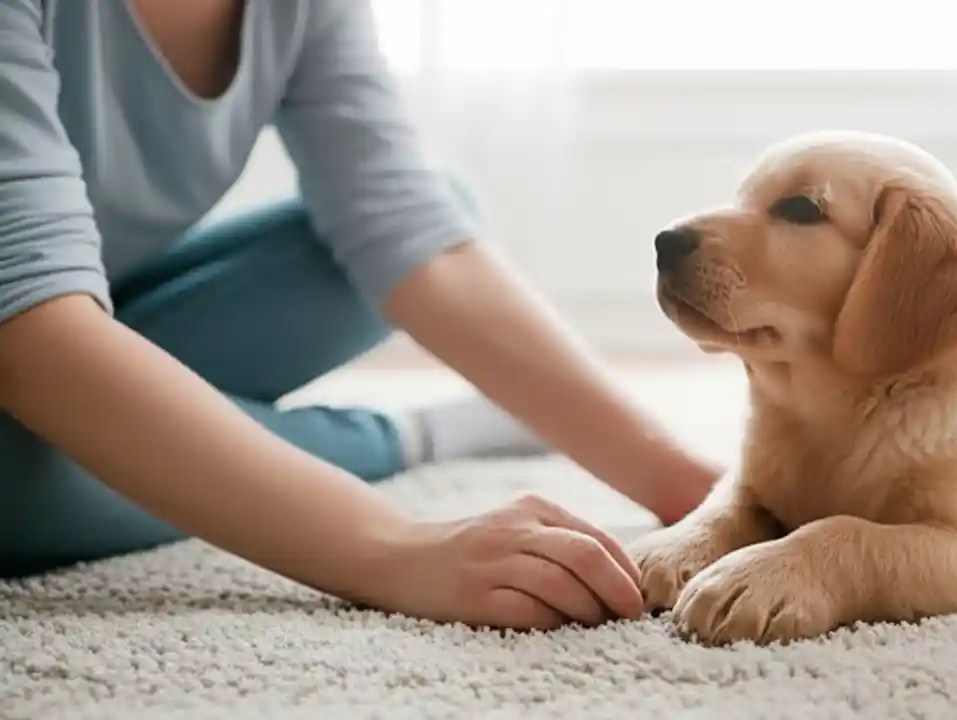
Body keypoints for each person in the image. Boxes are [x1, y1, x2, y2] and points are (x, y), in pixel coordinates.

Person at [0, 0, 720, 629]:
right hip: (28, 336)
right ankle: (405, 437)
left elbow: (413, 240)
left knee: (426, 214)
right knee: (25, 464)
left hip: (83, 306)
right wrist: (393, 549)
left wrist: (692, 486)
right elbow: (32, 339)